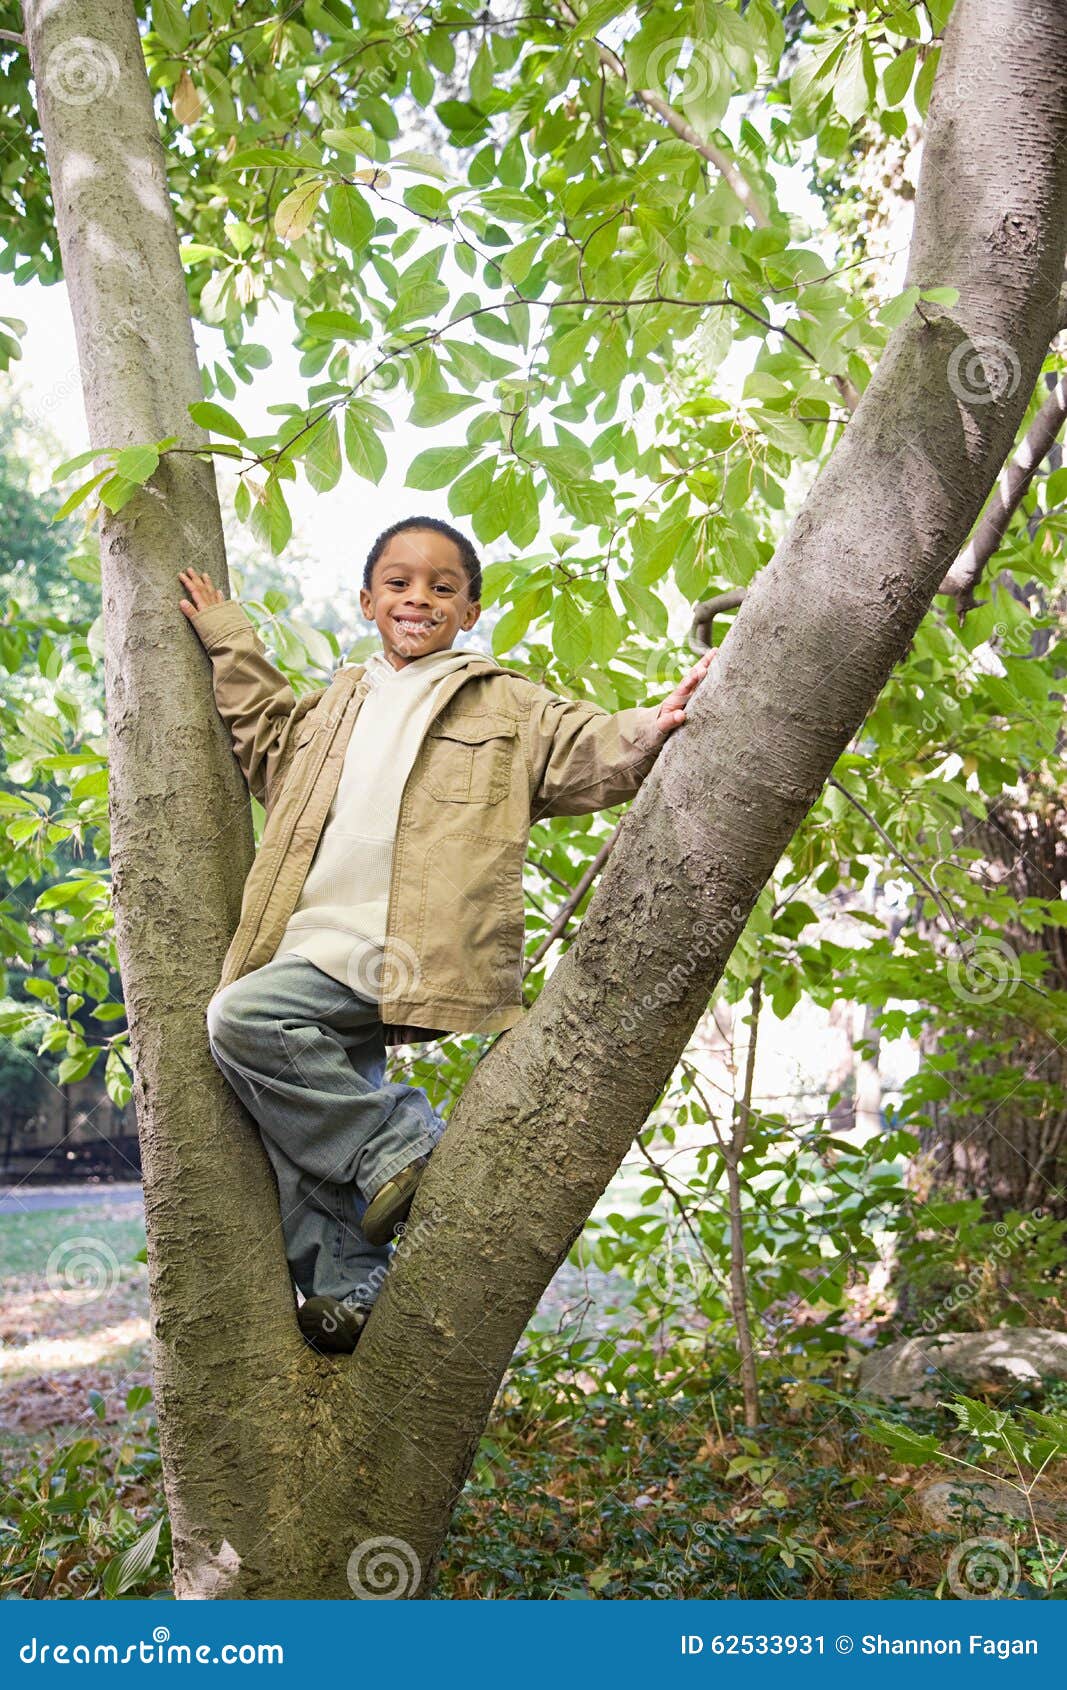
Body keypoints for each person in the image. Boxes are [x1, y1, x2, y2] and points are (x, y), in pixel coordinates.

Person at [178, 516, 713, 1356]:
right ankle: (350, 1286)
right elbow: (264, 734)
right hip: (308, 935)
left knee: (241, 1020)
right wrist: (227, 636)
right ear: (365, 601)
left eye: (441, 586)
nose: (417, 598)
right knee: (295, 1133)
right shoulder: (336, 706)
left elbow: (588, 747)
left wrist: (653, 723)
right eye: (397, 583)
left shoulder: (503, 702)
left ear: (469, 609)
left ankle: (403, 1141)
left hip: (399, 945)